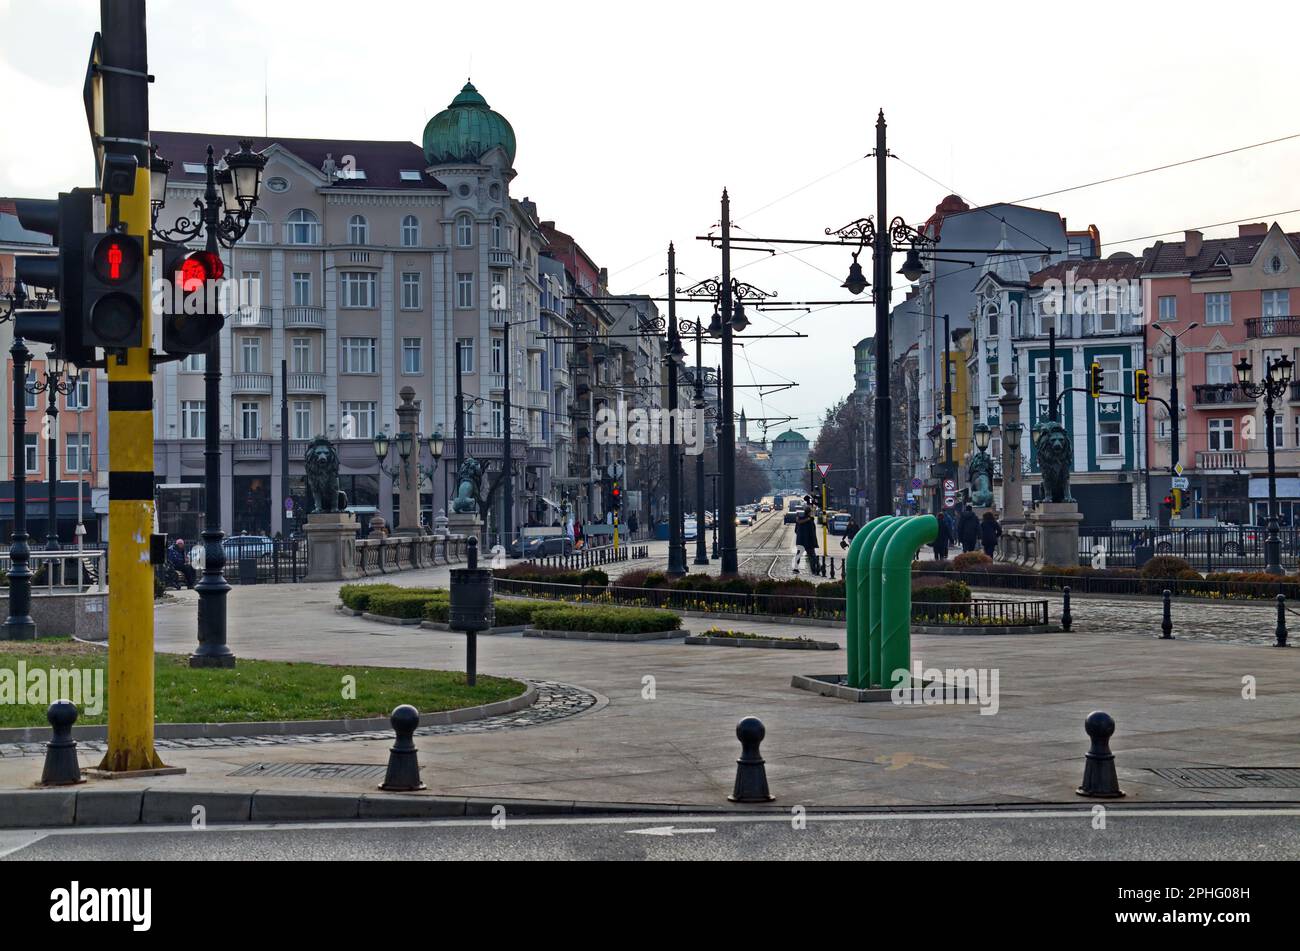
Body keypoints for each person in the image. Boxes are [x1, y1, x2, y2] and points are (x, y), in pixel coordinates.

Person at [794, 496, 820, 575]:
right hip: (809, 542)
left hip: (800, 541)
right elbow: (812, 532)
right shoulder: (810, 521)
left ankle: (796, 568)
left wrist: (800, 535)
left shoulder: (799, 520)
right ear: (809, 513)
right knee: (812, 556)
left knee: (798, 555)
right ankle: (815, 569)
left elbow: (795, 530)